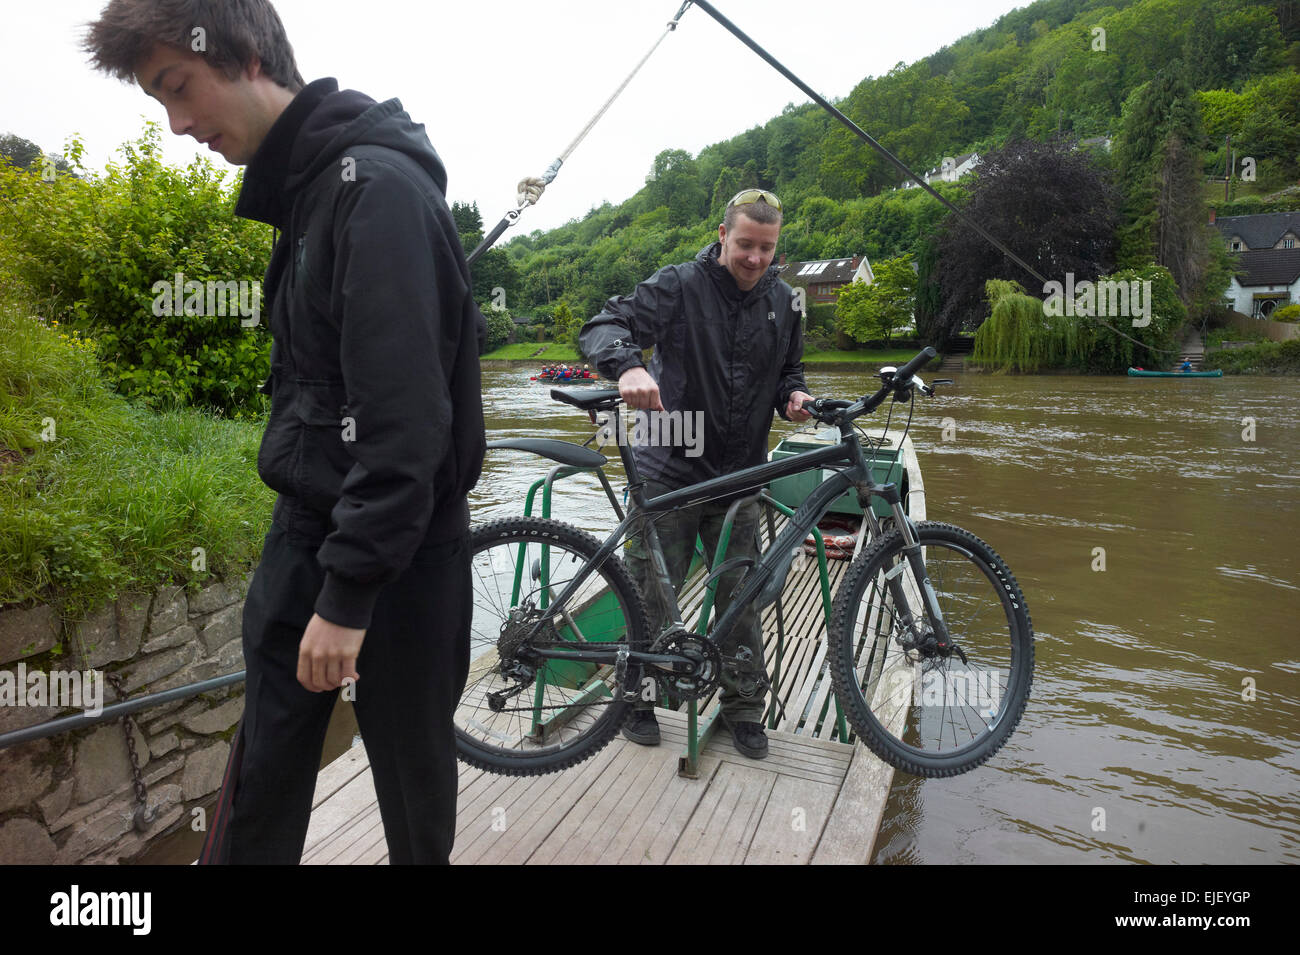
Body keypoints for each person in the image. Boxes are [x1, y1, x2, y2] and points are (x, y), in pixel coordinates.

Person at [85, 0, 486, 864]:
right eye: (159, 101)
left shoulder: (377, 192)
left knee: (415, 792)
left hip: (403, 561)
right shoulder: (307, 195)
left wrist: (348, 597)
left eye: (178, 87)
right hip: (304, 537)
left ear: (249, 53)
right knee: (260, 780)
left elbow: (407, 426)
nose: (178, 124)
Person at [579, 188, 812, 759]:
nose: (755, 258)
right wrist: (629, 365)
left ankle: (742, 708)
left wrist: (796, 396)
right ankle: (634, 696)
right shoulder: (680, 285)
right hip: (670, 471)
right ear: (722, 234)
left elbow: (789, 372)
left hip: (739, 478)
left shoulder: (785, 300)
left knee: (740, 597)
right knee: (650, 593)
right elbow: (603, 324)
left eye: (767, 247)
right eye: (745, 244)